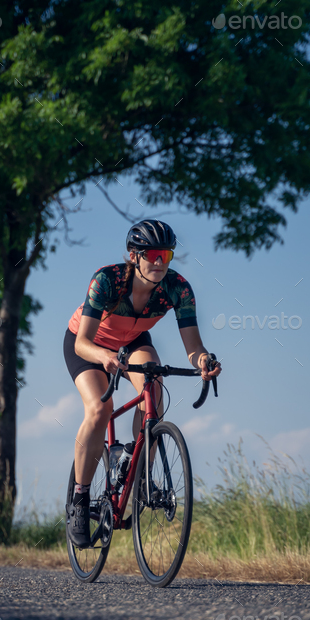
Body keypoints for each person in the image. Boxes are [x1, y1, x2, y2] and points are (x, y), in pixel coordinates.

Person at [63, 218, 222, 548]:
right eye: (152, 254)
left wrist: (204, 362)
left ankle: (134, 463)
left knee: (154, 387)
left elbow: (194, 347)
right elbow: (82, 342)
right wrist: (104, 357)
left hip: (132, 341)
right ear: (134, 256)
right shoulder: (106, 281)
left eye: (166, 254)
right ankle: (79, 500)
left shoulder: (177, 289)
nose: (160, 262)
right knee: (99, 408)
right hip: (88, 344)